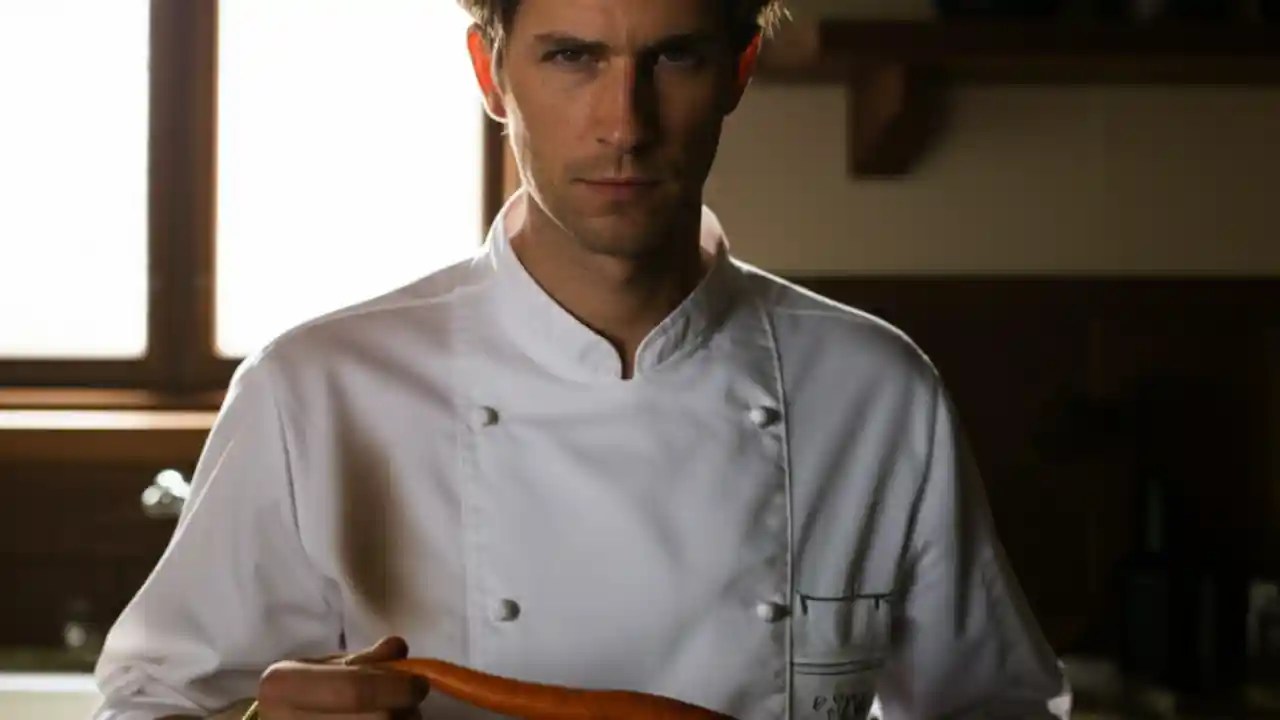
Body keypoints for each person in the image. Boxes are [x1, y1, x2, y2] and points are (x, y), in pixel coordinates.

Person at [93, 0, 1071, 718]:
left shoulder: (872, 389)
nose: (623, 123)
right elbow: (146, 707)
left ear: (736, 70)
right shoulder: (313, 389)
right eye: (571, 56)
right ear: (489, 73)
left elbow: (996, 712)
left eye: (672, 58)